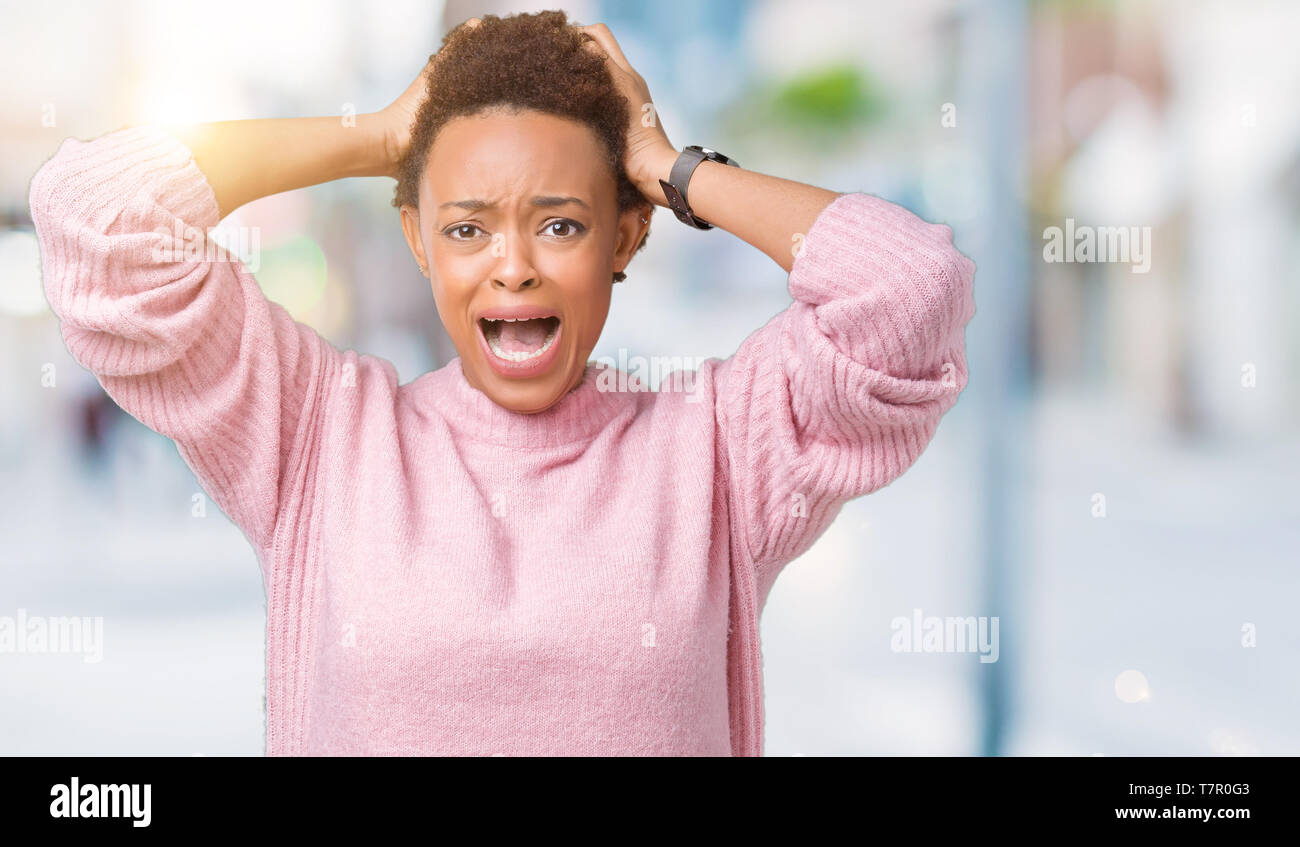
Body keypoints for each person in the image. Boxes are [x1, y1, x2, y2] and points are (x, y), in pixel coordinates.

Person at [29, 11, 976, 756]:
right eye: (467, 226)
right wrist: (383, 135)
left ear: (626, 236)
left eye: (562, 225)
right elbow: (92, 213)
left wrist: (671, 167)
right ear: (419, 241)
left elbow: (908, 288)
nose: (512, 267)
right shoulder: (318, 433)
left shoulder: (720, 450)